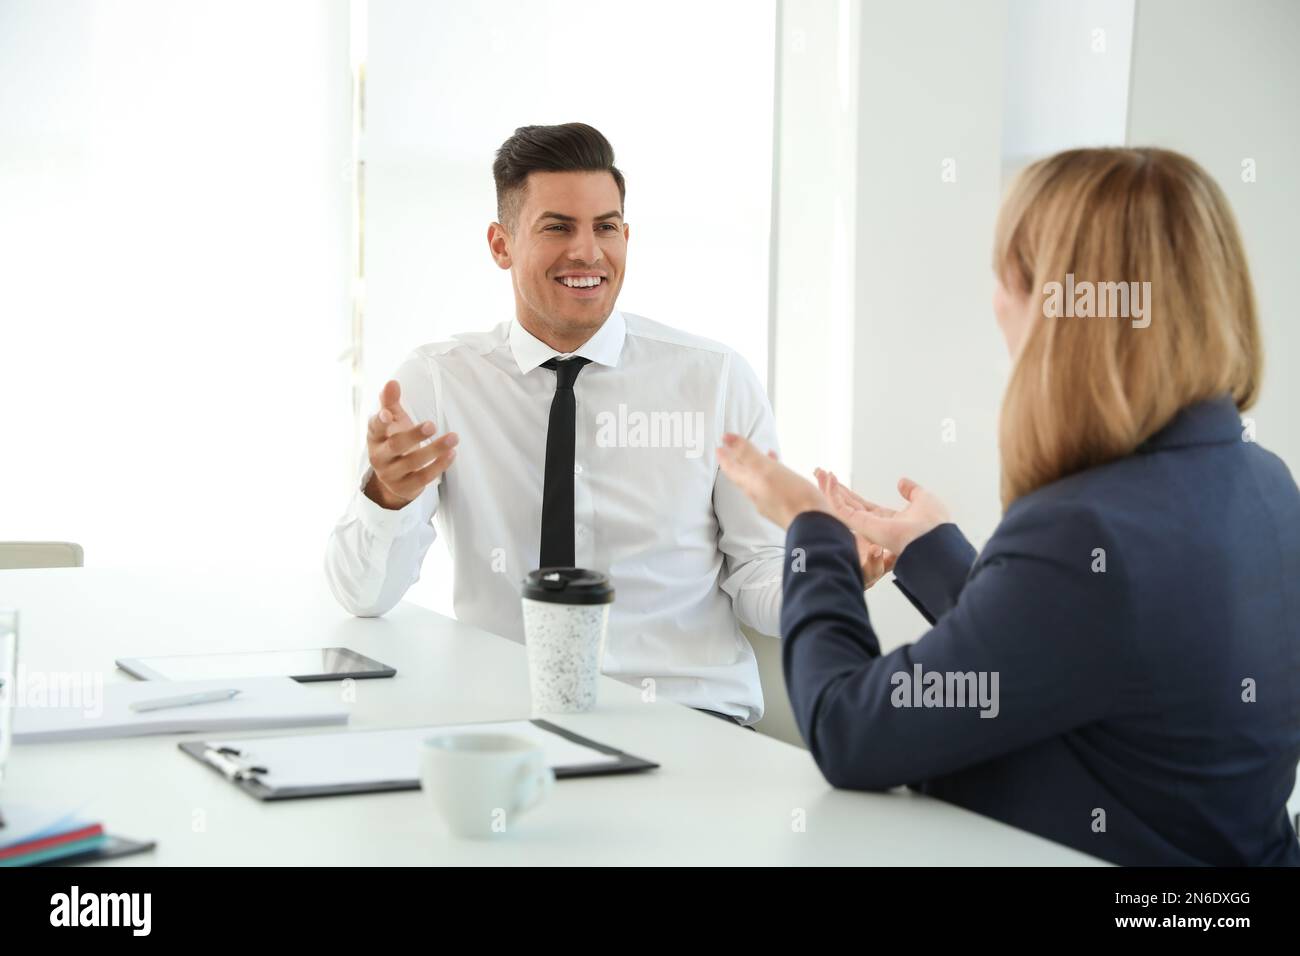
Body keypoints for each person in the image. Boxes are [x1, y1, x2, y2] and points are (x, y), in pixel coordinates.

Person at [717, 147, 1300, 865]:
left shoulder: (1083, 529)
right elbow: (1077, 646)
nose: (996, 300)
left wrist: (812, 530)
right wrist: (929, 548)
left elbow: (848, 730)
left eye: (1007, 274)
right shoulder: (1266, 482)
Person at [325, 123, 794, 725]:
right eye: (557, 227)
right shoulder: (439, 382)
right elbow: (363, 596)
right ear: (501, 245)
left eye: (606, 227)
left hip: (687, 718)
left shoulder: (716, 380)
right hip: (507, 722)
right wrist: (386, 495)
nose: (588, 252)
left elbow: (759, 571)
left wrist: (827, 576)